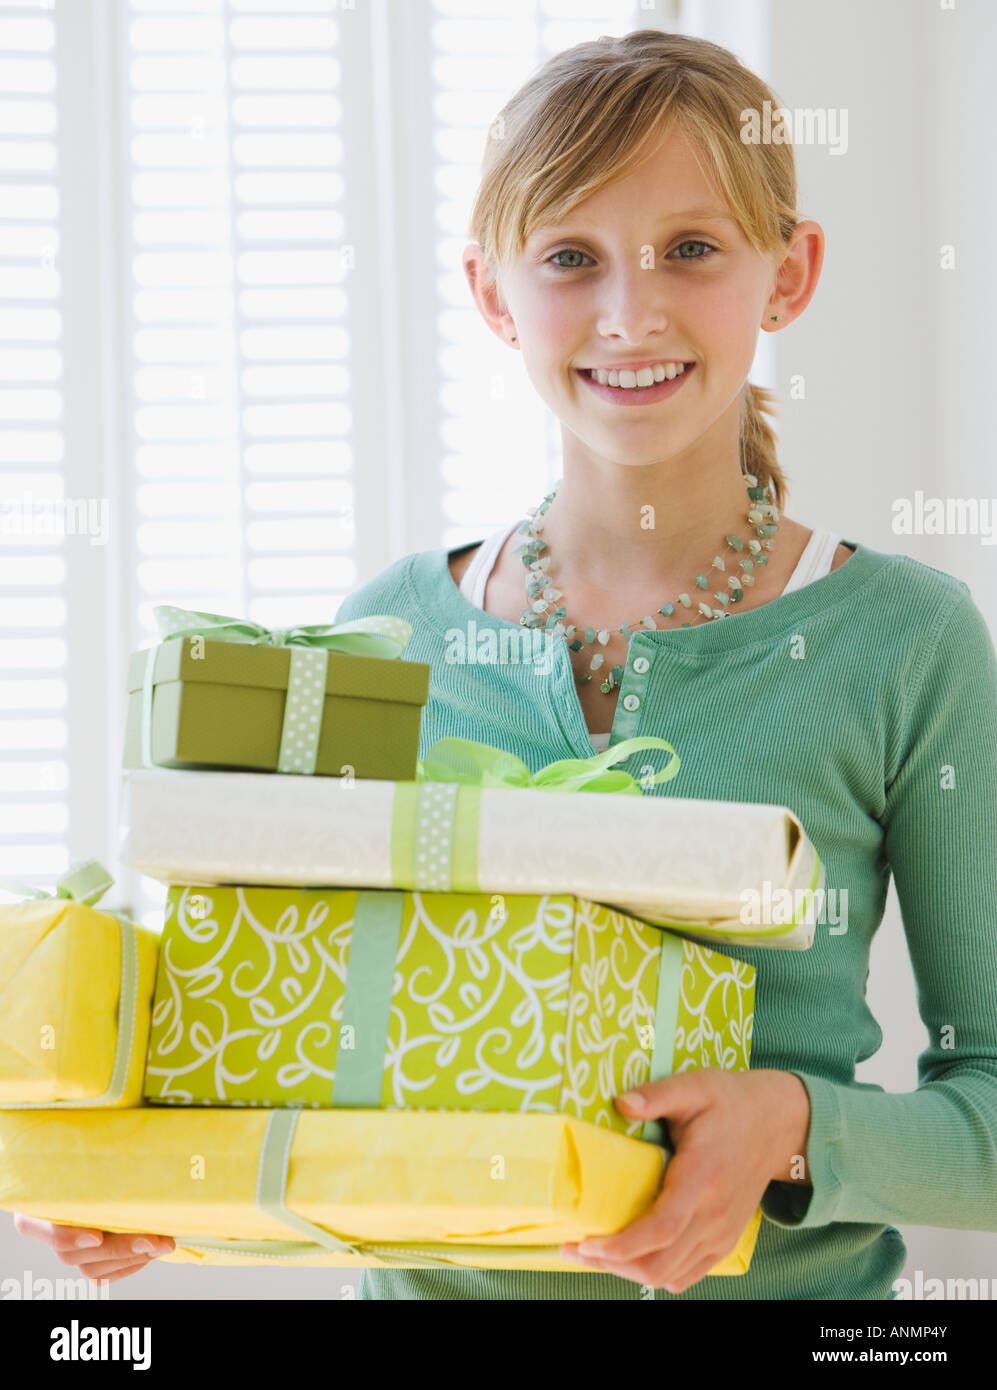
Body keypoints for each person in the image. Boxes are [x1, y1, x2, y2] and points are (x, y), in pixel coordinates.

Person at [14, 28, 997, 1300]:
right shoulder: (381, 640)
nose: (630, 312)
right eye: (569, 259)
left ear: (788, 272)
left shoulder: (906, 641)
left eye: (690, 249)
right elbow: (304, 1051)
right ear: (492, 293)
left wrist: (794, 1123)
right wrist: (159, 1194)